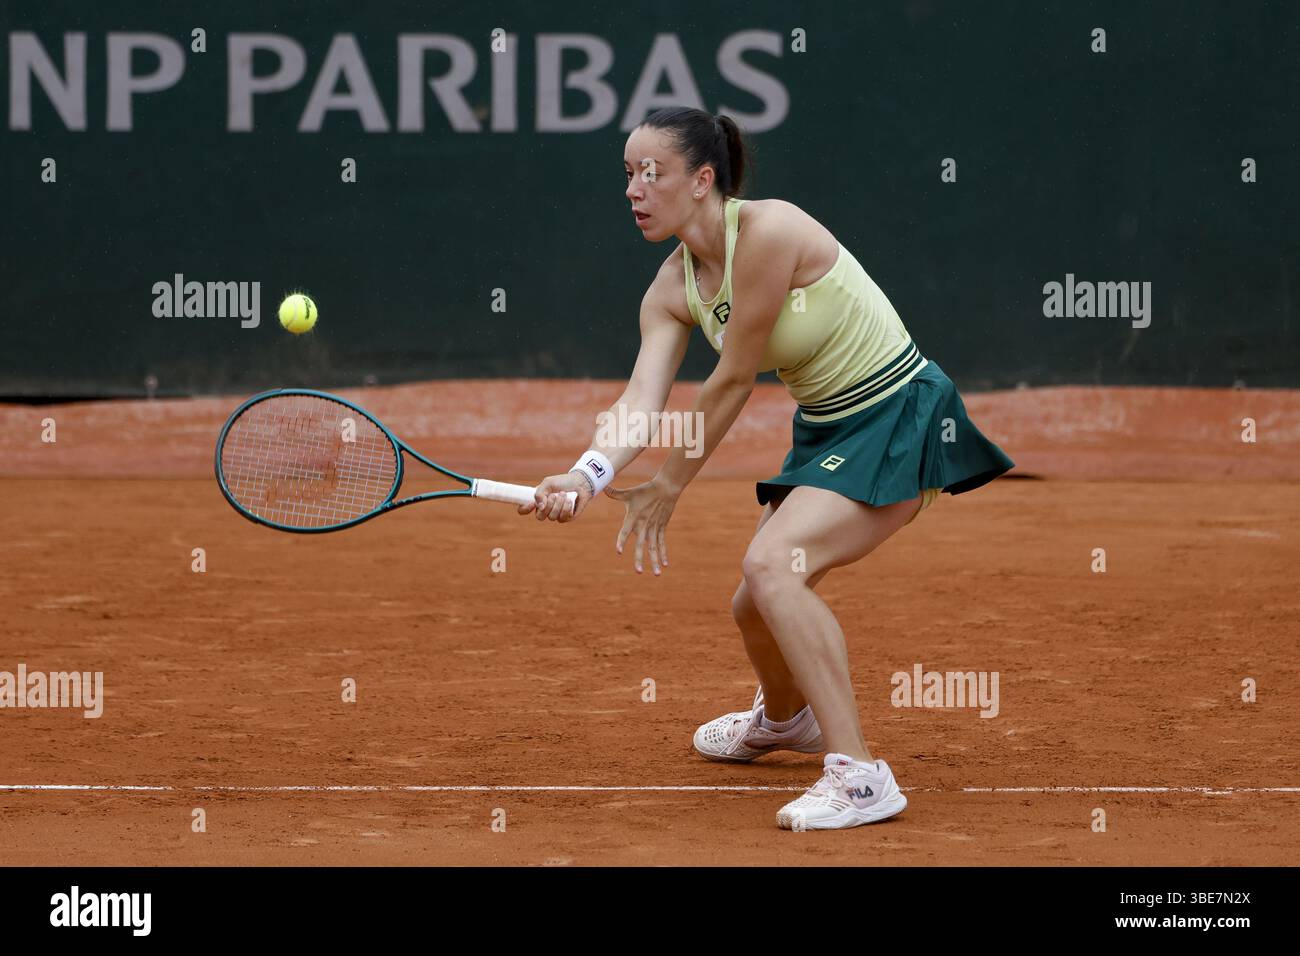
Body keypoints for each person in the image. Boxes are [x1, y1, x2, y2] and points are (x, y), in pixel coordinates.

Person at [519, 106, 1014, 830]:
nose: (634, 189)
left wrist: (667, 486)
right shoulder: (669, 288)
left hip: (902, 414)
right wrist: (586, 475)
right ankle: (786, 722)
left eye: (651, 173)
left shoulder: (771, 231)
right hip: (826, 431)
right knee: (753, 604)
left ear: (703, 180)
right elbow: (640, 400)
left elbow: (732, 380)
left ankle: (862, 778)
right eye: (627, 175)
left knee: (773, 563)